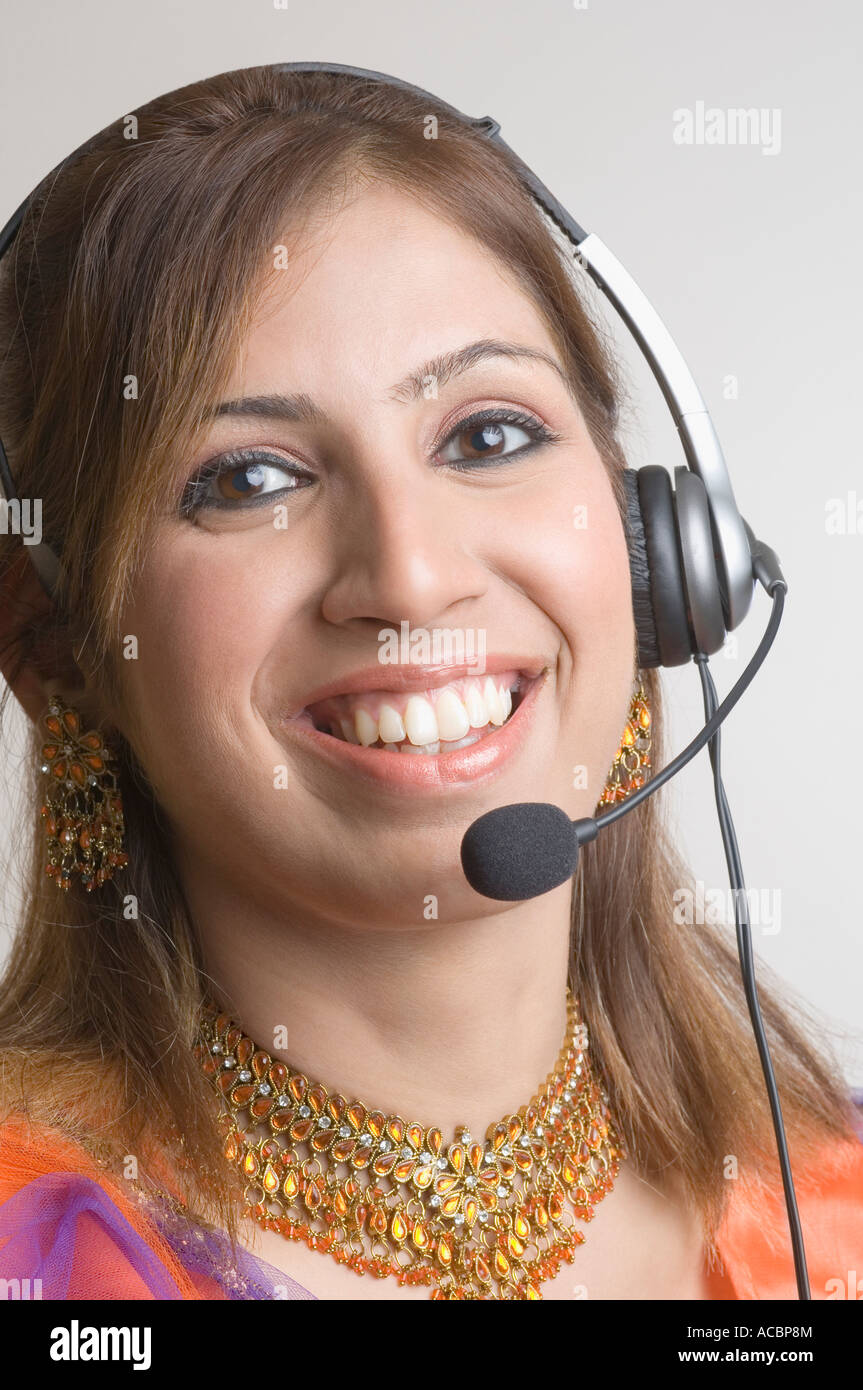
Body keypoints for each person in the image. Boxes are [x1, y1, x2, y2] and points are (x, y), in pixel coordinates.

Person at [0, 63, 860, 1302]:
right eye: (246, 478)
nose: (407, 579)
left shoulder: (826, 1196)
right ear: (64, 656)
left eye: (486, 435)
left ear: (652, 551)